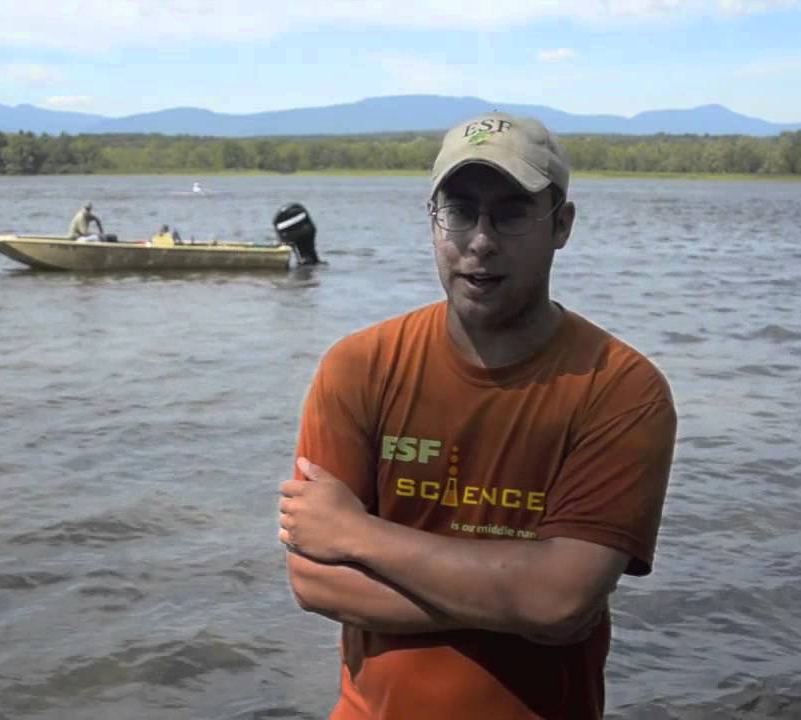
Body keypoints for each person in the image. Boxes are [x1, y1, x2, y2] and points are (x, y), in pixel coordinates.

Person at [278, 112, 677, 719]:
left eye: (512, 213)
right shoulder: (359, 367)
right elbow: (315, 580)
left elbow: (562, 599)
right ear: (433, 220)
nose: (481, 241)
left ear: (561, 225)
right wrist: (522, 601)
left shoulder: (620, 389)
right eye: (460, 211)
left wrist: (357, 535)